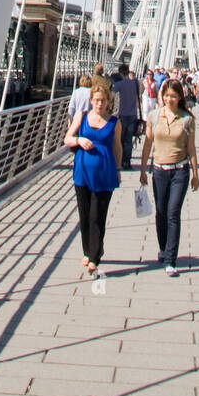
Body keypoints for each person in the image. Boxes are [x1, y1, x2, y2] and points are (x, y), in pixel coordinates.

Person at [139, 78, 199, 276]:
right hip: (158, 170)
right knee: (161, 212)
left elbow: (191, 148)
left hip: (180, 171)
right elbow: (147, 144)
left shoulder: (187, 119)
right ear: (162, 96)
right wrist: (142, 171)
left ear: (180, 97)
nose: (169, 99)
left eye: (173, 96)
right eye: (166, 95)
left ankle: (171, 259)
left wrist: (195, 174)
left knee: (173, 213)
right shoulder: (154, 116)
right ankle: (164, 249)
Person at [65, 76, 122, 274]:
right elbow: (67, 139)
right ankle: (88, 251)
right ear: (91, 100)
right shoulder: (82, 117)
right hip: (82, 173)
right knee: (85, 213)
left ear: (108, 101)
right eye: (96, 100)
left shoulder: (114, 122)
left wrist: (118, 169)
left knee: (98, 215)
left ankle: (95, 256)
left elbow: (118, 147)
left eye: (103, 100)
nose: (99, 103)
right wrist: (79, 140)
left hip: (104, 174)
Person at [111, 63, 141, 169]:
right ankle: (127, 162)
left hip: (123, 114)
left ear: (120, 73)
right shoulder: (135, 84)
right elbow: (140, 95)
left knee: (120, 140)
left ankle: (120, 160)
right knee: (129, 140)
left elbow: (111, 96)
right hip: (133, 114)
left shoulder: (119, 84)